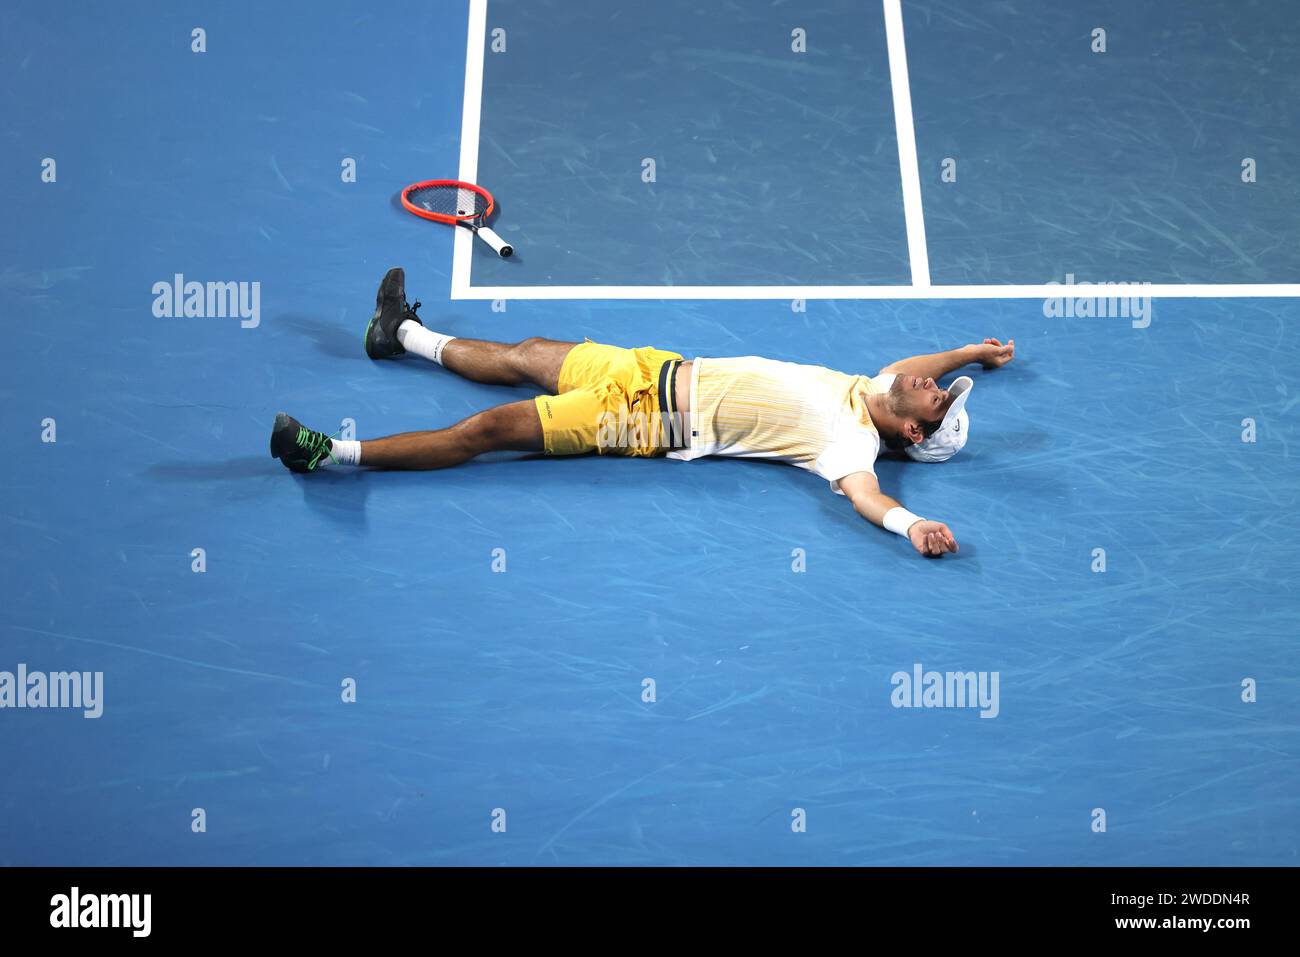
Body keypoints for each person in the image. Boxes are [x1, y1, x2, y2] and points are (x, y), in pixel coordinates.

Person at [271, 269, 1016, 557]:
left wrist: (909, 522)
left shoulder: (849, 441)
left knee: (487, 433)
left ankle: (332, 455)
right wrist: (968, 354)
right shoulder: (873, 385)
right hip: (653, 367)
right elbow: (916, 369)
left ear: (913, 431)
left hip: (645, 424)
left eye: (933, 398)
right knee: (528, 351)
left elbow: (868, 496)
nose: (925, 382)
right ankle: (399, 333)